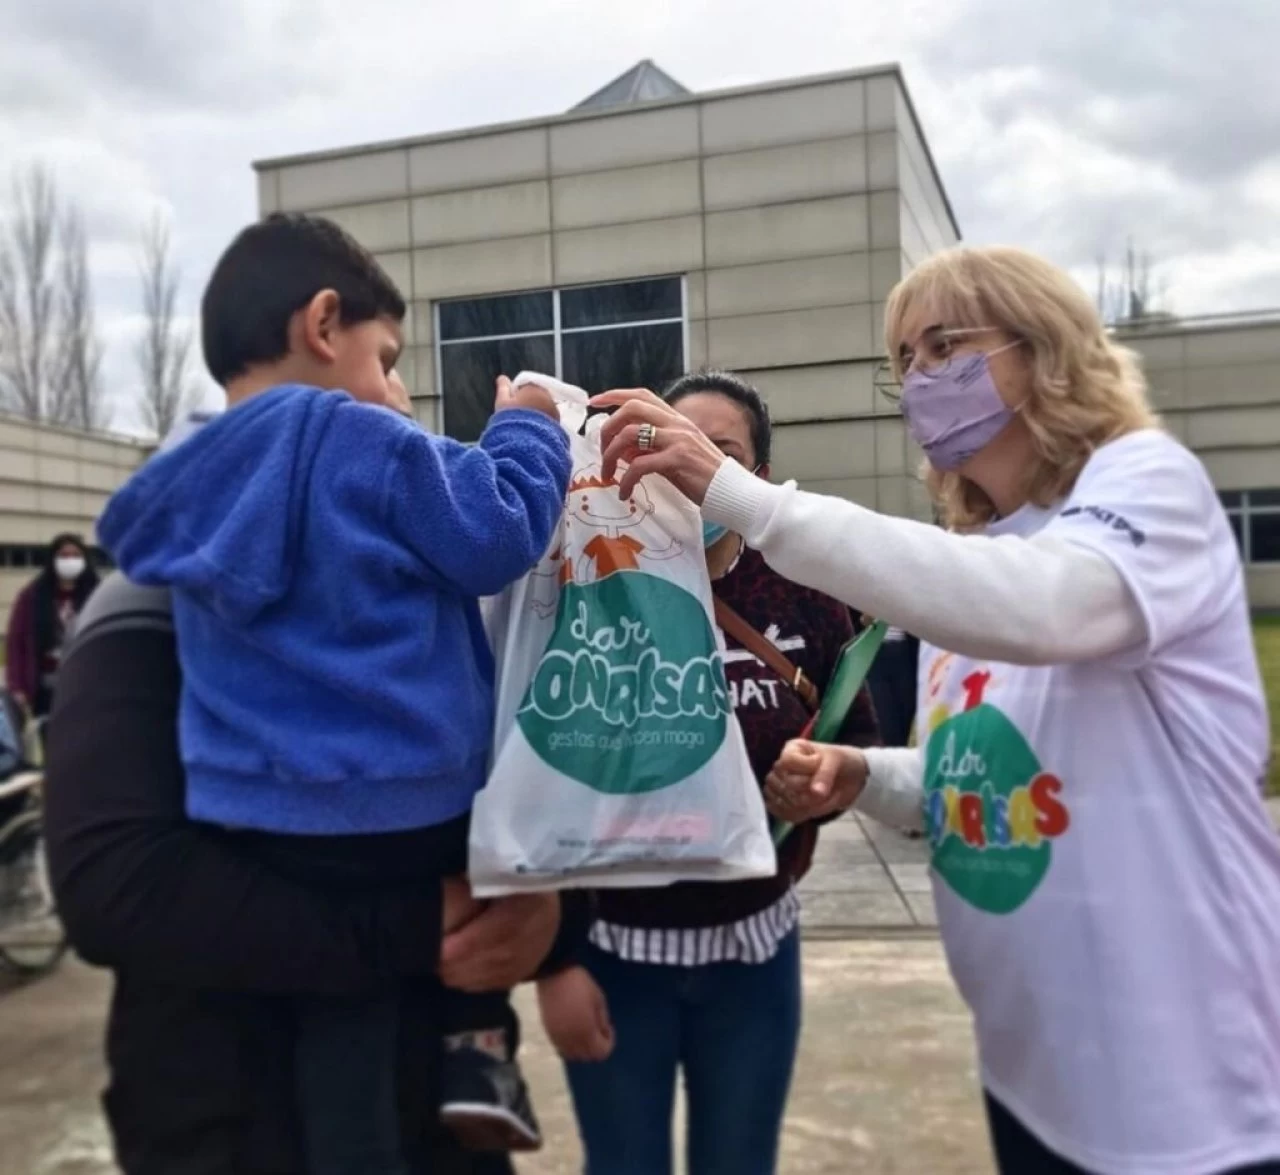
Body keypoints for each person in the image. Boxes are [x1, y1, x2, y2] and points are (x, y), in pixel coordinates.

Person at [588, 245, 1280, 1175]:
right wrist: (864, 774)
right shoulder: (976, 559)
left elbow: (1048, 606)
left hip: (1188, 1101)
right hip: (1036, 1080)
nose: (920, 377)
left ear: (1045, 350)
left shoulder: (1147, 486)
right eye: (905, 359)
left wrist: (742, 497)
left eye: (945, 346)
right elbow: (980, 778)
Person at [94, 213, 572, 1172]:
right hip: (407, 802)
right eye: (387, 357)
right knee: (490, 870)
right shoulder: (359, 438)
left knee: (334, 1004)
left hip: (258, 815)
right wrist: (526, 428)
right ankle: (476, 1051)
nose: (397, 389)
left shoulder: (183, 482)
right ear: (322, 324)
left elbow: (129, 539)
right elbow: (495, 533)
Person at [45, 567, 588, 1175]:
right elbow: (115, 883)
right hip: (231, 1124)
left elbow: (555, 809)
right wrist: (413, 926)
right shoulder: (156, 601)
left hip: (446, 1116)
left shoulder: (453, 602)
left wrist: (548, 915)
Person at [538, 370, 881, 1175]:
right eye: (661, 441)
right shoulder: (592, 583)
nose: (682, 464)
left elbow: (857, 736)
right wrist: (556, 961)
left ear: (755, 477)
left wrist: (824, 781)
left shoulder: (804, 591)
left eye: (715, 450)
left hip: (754, 957)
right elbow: (540, 779)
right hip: (613, 953)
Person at [5, 532, 99, 719]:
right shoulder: (32, 596)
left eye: (76, 555)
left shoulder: (96, 593)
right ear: (53, 559)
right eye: (64, 555)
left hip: (86, 686)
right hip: (45, 691)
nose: (70, 561)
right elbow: (16, 643)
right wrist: (16, 687)